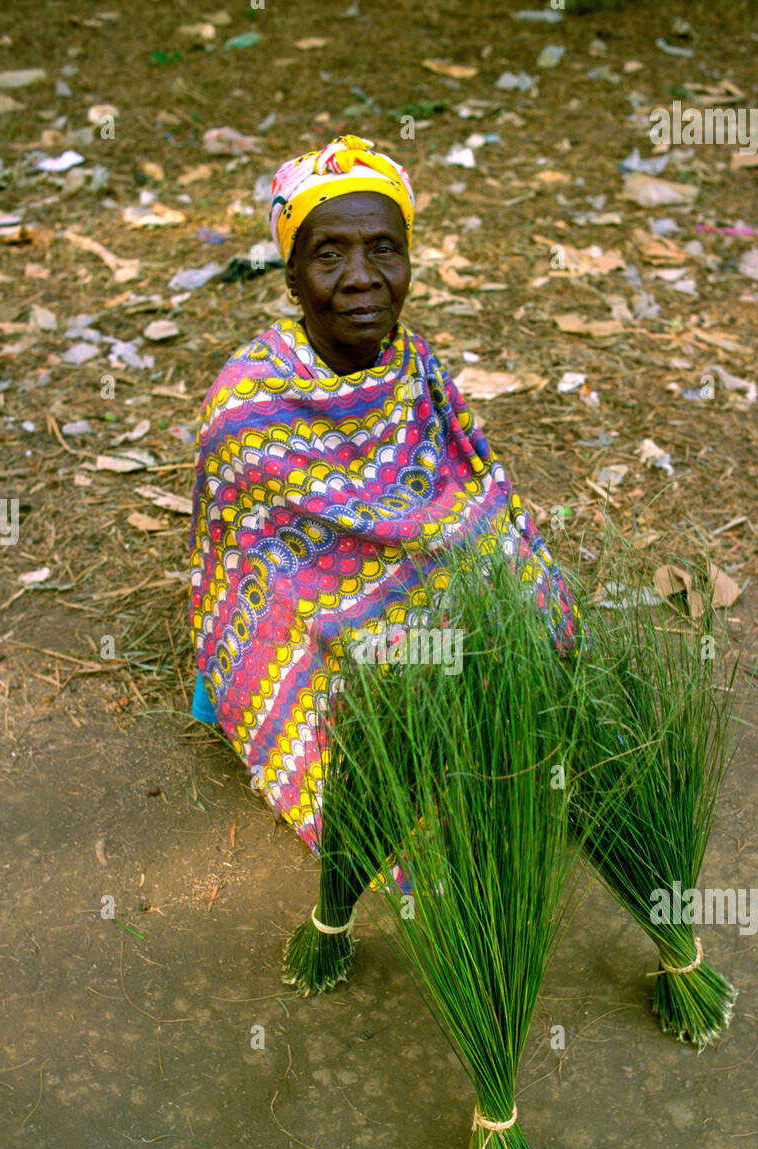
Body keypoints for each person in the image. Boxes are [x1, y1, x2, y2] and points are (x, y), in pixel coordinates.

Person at [188, 134, 581, 906]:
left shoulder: (415, 365)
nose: (361, 279)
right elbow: (264, 573)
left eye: (384, 250)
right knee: (383, 678)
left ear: (409, 262)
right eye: (328, 254)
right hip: (303, 611)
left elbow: (471, 491)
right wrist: (391, 600)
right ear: (291, 275)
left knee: (529, 597)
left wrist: (471, 560)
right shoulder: (247, 408)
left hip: (411, 586)